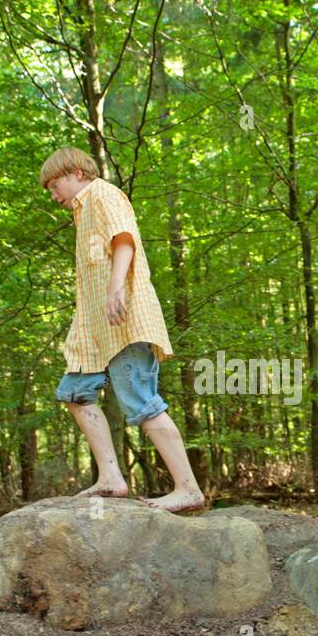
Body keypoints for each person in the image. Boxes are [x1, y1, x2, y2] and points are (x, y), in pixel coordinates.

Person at [40, 147, 205, 513]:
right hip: (93, 330)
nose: (53, 195)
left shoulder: (103, 193)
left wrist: (116, 288)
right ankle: (111, 478)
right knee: (74, 393)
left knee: (140, 400)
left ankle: (188, 488)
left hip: (124, 319)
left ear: (77, 172)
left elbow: (124, 239)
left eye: (55, 185)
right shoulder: (80, 215)